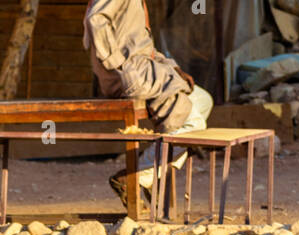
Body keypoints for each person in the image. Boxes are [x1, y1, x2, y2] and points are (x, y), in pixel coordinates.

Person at [83, 0, 214, 207]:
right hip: (130, 76)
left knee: (202, 100)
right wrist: (117, 63)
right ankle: (137, 176)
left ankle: (152, 172)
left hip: (145, 70)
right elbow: (96, 19)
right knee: (192, 122)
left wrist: (174, 68)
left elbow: (144, 49)